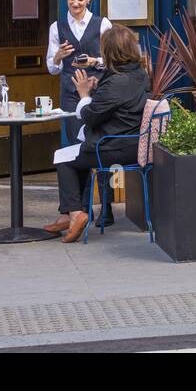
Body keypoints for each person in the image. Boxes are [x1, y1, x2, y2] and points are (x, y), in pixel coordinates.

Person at [43, 27, 149, 242]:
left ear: (111, 52)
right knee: (75, 155)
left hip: (113, 147)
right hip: (132, 143)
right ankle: (67, 215)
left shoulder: (116, 81)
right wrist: (96, 88)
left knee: (64, 159)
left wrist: (83, 94)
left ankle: (75, 213)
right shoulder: (139, 74)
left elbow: (90, 117)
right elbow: (116, 104)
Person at [46, 0, 114, 224]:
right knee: (78, 148)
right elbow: (51, 68)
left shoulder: (102, 24)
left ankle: (106, 206)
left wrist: (95, 61)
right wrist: (58, 57)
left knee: (102, 146)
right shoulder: (57, 27)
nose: (76, 4)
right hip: (71, 97)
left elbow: (113, 59)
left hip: (98, 95)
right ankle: (83, 209)